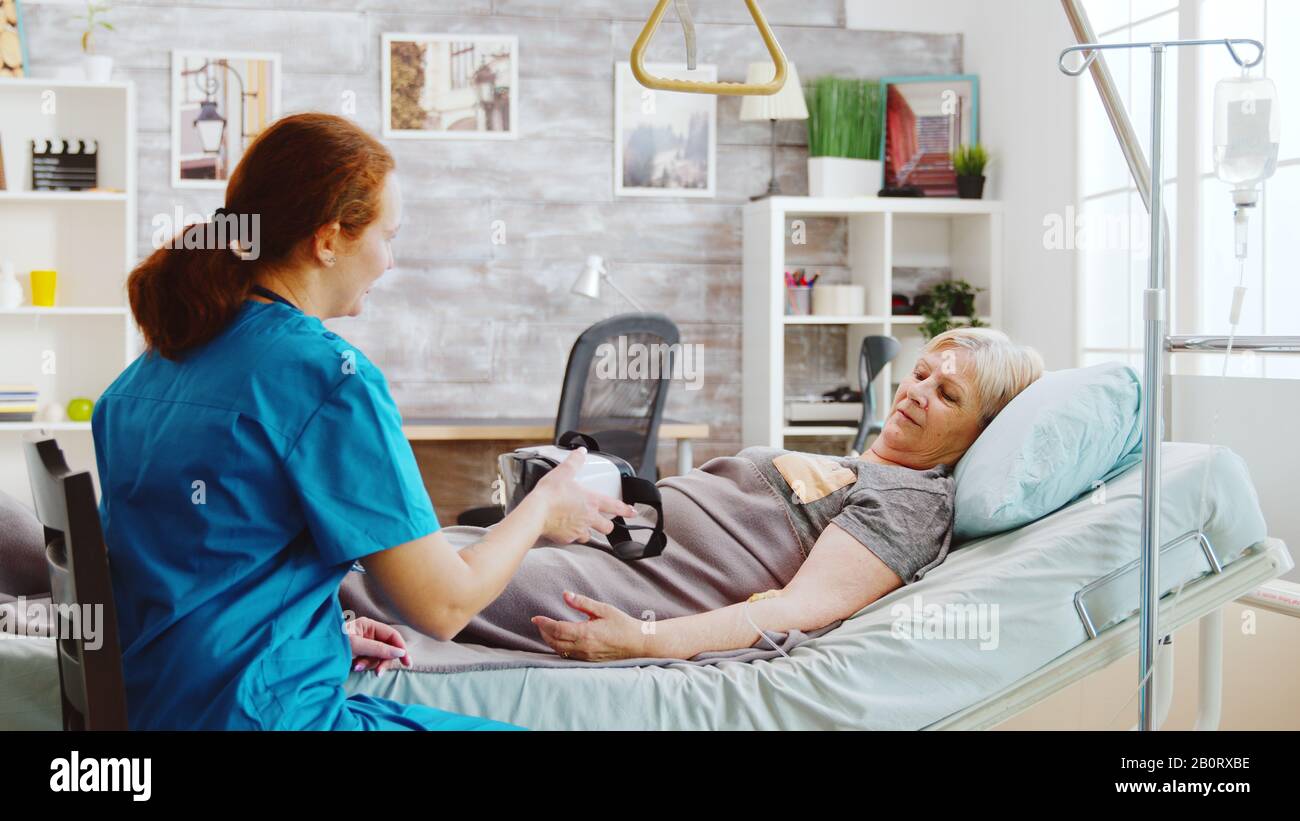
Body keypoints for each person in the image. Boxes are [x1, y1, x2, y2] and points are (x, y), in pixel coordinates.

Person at [94, 113, 634, 730]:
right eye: (387, 234)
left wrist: (319, 632)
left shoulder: (147, 375)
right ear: (328, 240)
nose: (390, 260)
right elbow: (444, 604)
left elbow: (202, 566)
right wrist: (541, 507)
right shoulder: (327, 377)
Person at [444, 328, 1044, 662]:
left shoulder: (913, 499)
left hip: (629, 584)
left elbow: (797, 609)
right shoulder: (851, 462)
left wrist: (644, 639)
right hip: (601, 545)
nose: (919, 393)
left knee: (418, 587)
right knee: (425, 555)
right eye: (921, 374)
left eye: (949, 395)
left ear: (980, 429)